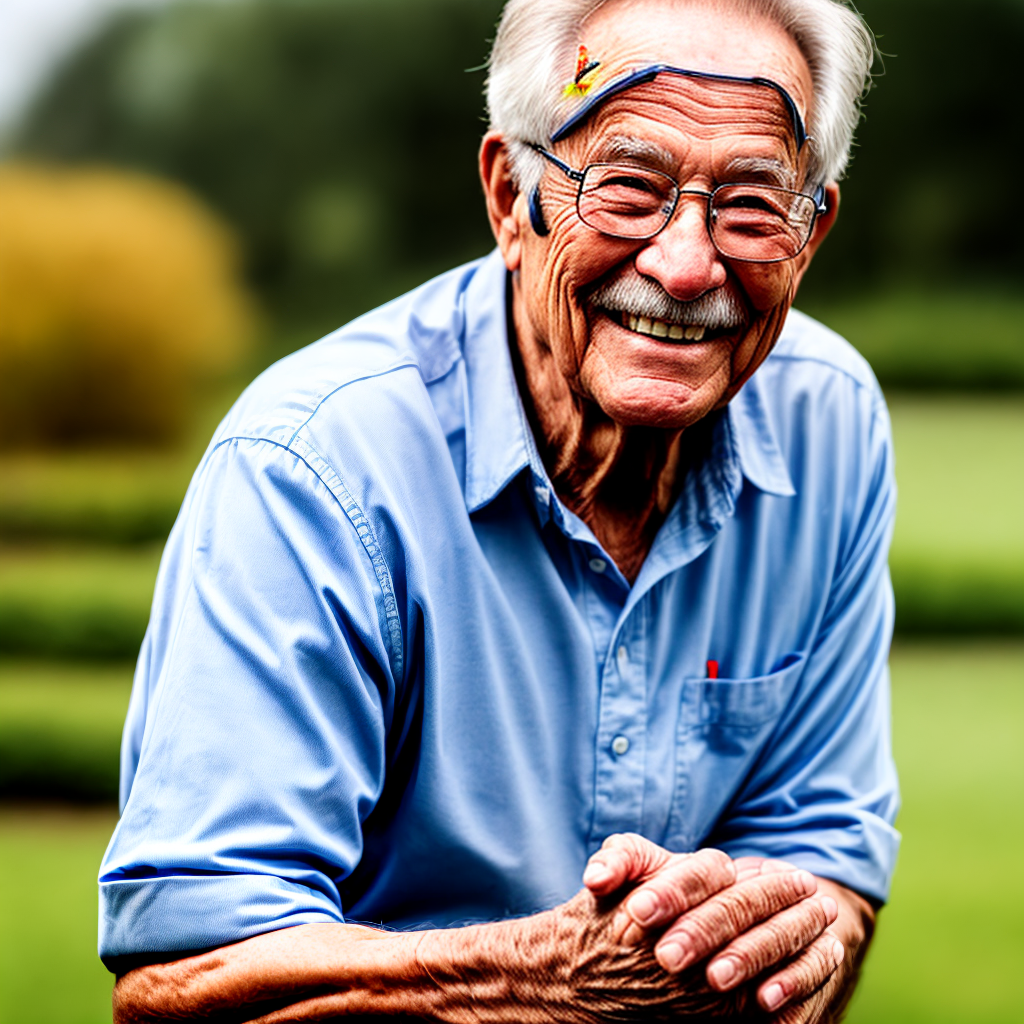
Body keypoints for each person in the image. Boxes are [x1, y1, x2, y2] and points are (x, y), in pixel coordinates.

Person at [102, 0, 900, 1020]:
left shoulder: (829, 422)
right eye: (628, 189)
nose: (686, 265)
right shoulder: (313, 464)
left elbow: (827, 862)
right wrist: (544, 982)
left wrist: (782, 941)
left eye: (751, 204)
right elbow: (187, 973)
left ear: (811, 231)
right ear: (508, 197)